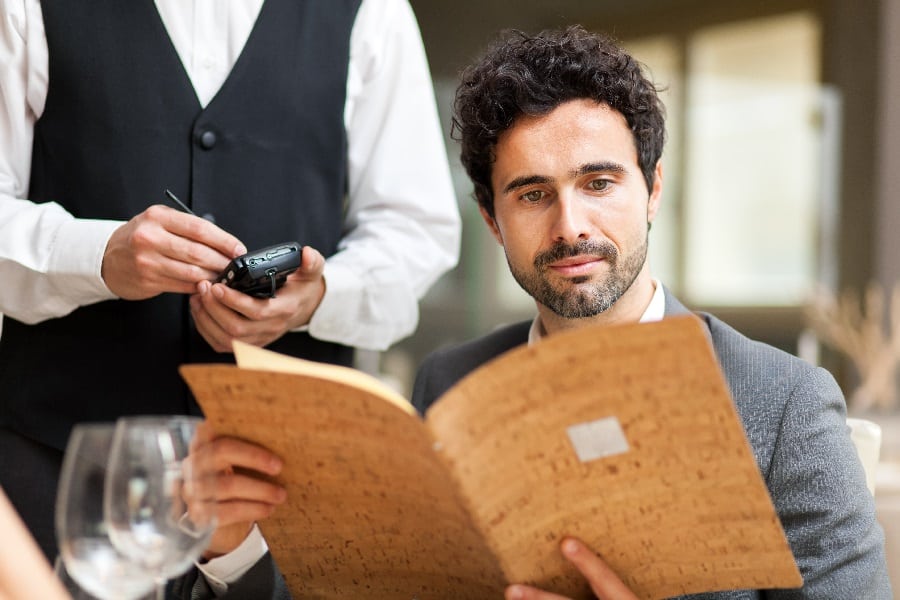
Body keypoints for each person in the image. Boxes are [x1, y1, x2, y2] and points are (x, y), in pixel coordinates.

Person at [175, 25, 893, 599]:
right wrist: (233, 545)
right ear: (492, 219)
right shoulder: (449, 382)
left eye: (599, 182)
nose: (570, 226)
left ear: (652, 190)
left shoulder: (788, 403)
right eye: (532, 194)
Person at [0, 0, 460, 562]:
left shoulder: (371, 11)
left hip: (284, 481)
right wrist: (99, 256)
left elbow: (417, 232)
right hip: (60, 481)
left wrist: (318, 297)